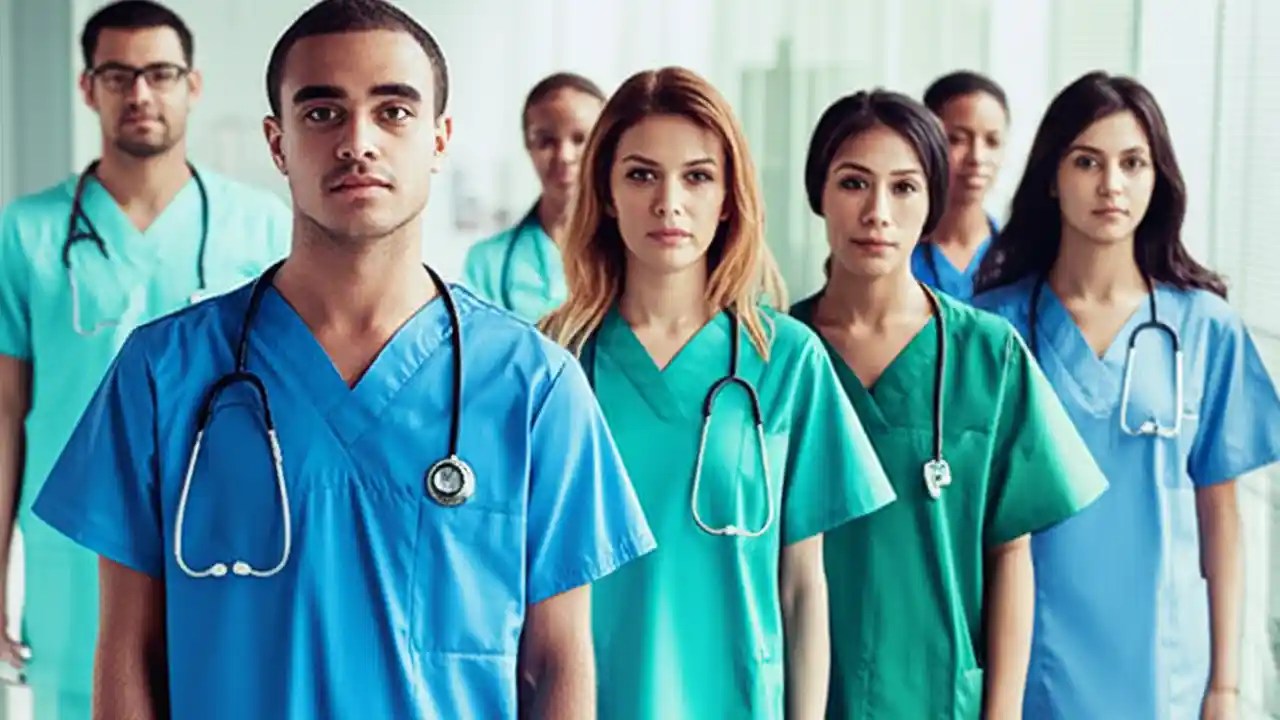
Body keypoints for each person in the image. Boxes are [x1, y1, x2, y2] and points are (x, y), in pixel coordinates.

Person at [30, 1, 655, 718]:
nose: (359, 141)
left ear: (439, 139)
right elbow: (128, 652)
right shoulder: (163, 373)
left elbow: (558, 664)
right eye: (323, 113)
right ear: (278, 142)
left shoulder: (534, 388)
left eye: (393, 112)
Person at [540, 67, 896, 720]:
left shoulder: (786, 359)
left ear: (729, 196)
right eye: (642, 174)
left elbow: (801, 588)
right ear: (608, 193)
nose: (668, 202)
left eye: (697, 176)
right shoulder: (554, 361)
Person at [0, 1, 291, 717]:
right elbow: (5, 411)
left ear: (192, 85)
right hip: (74, 538)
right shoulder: (27, 232)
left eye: (159, 73)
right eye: (118, 74)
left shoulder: (263, 226)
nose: (139, 94)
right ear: (87, 87)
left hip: (227, 531)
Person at [788, 89, 1108, 719]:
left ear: (933, 199)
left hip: (943, 699)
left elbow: (1011, 554)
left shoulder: (988, 355)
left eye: (904, 188)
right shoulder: (778, 359)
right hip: (803, 696)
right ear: (818, 194)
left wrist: (1003, 713)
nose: (877, 212)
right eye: (854, 183)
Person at [972, 71, 1280, 720]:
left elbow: (1220, 516)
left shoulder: (1205, 328)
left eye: (1132, 163)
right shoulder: (992, 330)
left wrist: (1225, 685)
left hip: (1166, 665)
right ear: (1052, 179)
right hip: (1035, 659)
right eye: (1087, 162)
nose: (1111, 185)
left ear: (1156, 179)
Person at [461, 72, 607, 323]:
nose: (564, 156)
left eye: (580, 139)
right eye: (546, 141)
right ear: (528, 146)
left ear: (605, 146)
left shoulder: (634, 253)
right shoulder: (487, 263)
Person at [910, 71, 1009, 301]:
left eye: (992, 142)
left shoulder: (1019, 262)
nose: (977, 157)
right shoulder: (896, 252)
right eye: (957, 139)